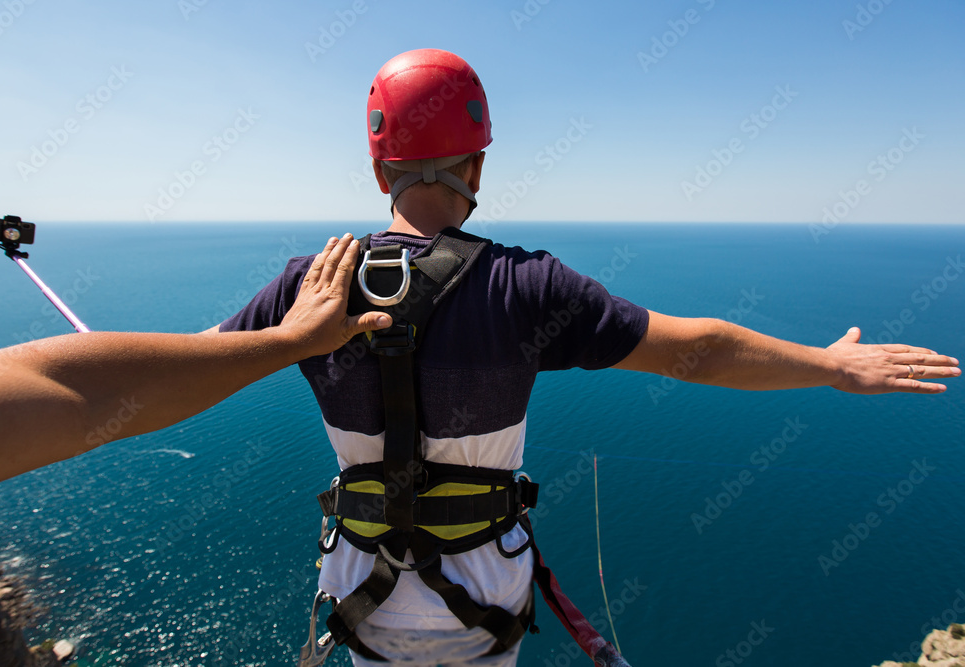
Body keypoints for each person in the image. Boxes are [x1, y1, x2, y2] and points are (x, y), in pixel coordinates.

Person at [215, 49, 960, 667]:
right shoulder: (527, 286)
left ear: (381, 173)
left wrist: (102, 361)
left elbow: (194, 364)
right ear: (477, 167)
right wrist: (830, 365)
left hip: (361, 609)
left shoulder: (309, 286)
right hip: (482, 619)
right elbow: (695, 350)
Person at [0, 236, 390, 496]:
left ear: (378, 172)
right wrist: (287, 340)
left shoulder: (303, 281)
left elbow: (75, 395)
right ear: (463, 169)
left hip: (357, 583)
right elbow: (74, 398)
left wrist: (287, 341)